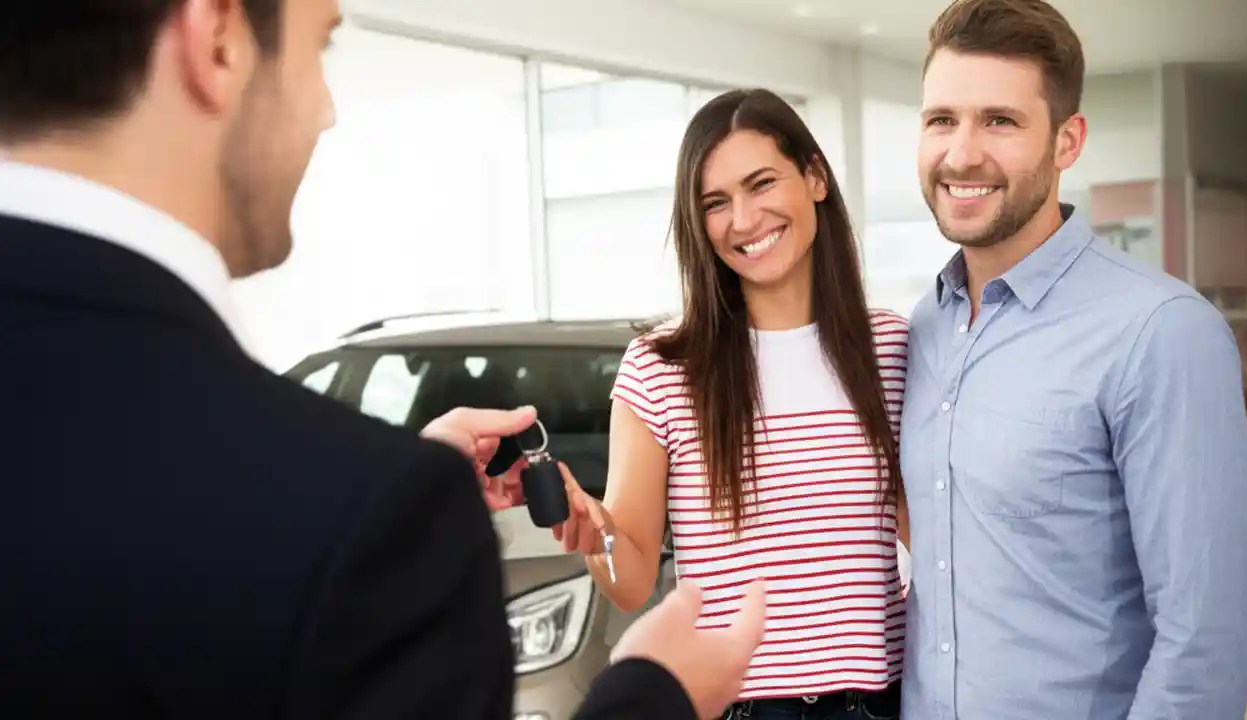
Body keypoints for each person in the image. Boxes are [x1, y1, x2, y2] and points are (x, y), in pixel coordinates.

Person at [0, 2, 766, 718]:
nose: (327, 110)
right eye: (320, 45)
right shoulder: (363, 515)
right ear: (219, 40)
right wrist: (652, 692)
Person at [900, 1, 1247, 718]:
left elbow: (1206, 647)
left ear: (1068, 141)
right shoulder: (925, 328)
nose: (962, 153)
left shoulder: (1161, 333)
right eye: (942, 119)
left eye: (999, 120)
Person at [551, 88, 909, 720]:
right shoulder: (662, 368)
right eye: (716, 203)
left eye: (761, 183)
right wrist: (593, 531)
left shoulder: (892, 347)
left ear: (815, 178)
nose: (742, 220)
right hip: (736, 705)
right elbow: (630, 582)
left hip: (881, 701)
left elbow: (933, 535)